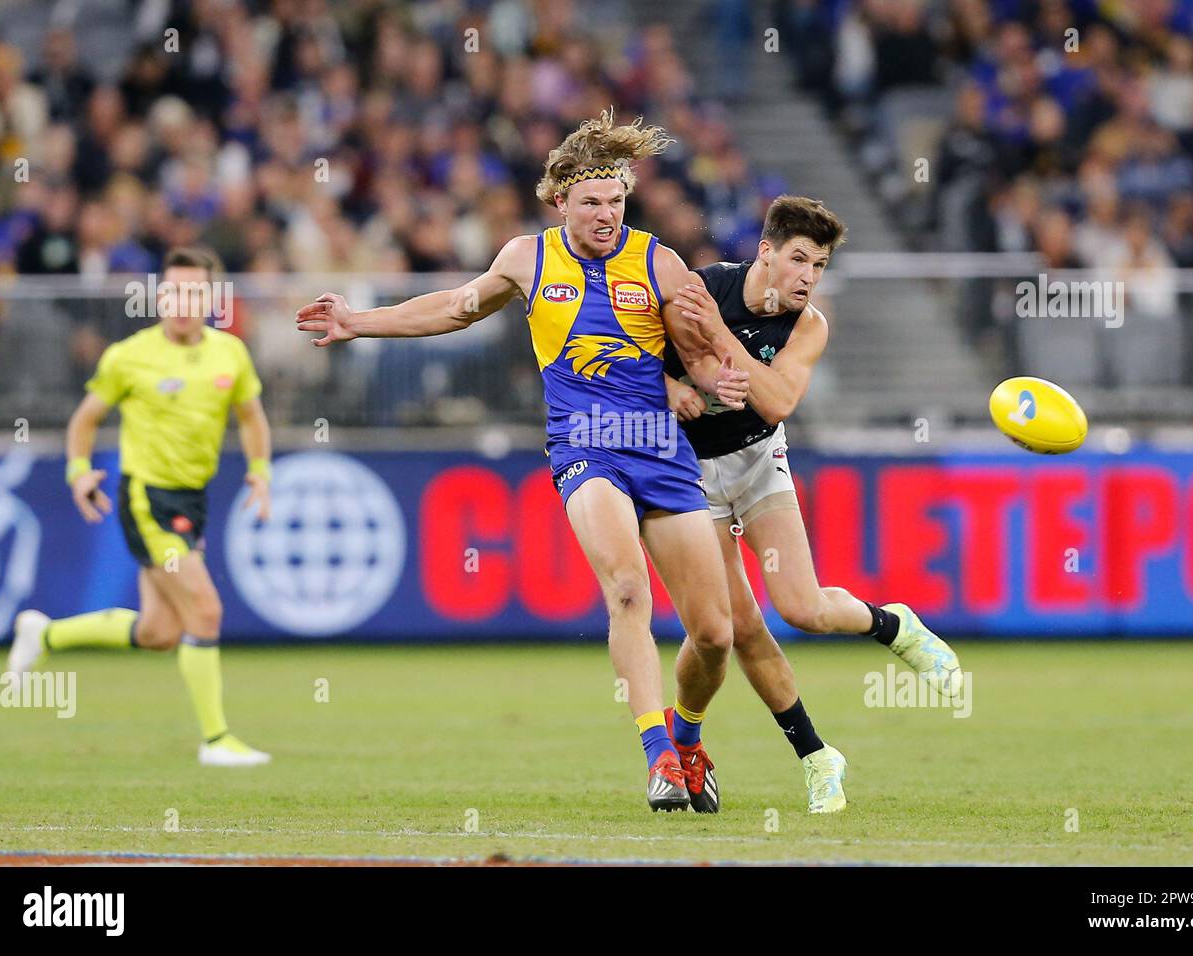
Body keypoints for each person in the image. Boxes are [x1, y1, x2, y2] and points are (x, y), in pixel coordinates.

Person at [296, 110, 752, 812]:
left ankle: (690, 741)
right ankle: (659, 757)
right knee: (628, 589)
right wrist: (360, 321)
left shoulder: (659, 262)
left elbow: (698, 355)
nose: (607, 214)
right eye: (593, 202)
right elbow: (454, 307)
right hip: (585, 446)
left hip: (661, 450)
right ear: (560, 200)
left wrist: (714, 382)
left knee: (715, 636)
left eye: (617, 202)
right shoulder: (525, 259)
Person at [663, 195, 963, 812]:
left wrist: (720, 339)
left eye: (819, 266)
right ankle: (816, 756)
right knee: (732, 628)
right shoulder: (698, 290)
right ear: (766, 252)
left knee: (802, 609)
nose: (807, 277)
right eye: (798, 260)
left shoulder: (809, 325)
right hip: (688, 472)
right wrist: (669, 388)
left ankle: (893, 624)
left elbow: (774, 402)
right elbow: (633, 361)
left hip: (756, 459)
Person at [7, 246, 274, 767]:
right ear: (159, 296)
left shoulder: (230, 354)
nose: (182, 301)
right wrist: (78, 471)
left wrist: (260, 473)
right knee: (206, 609)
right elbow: (84, 420)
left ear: (211, 298)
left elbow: (252, 417)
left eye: (194, 292)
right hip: (148, 499)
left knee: (159, 632)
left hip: (192, 502)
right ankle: (216, 740)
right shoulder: (128, 356)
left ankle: (45, 633)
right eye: (173, 291)